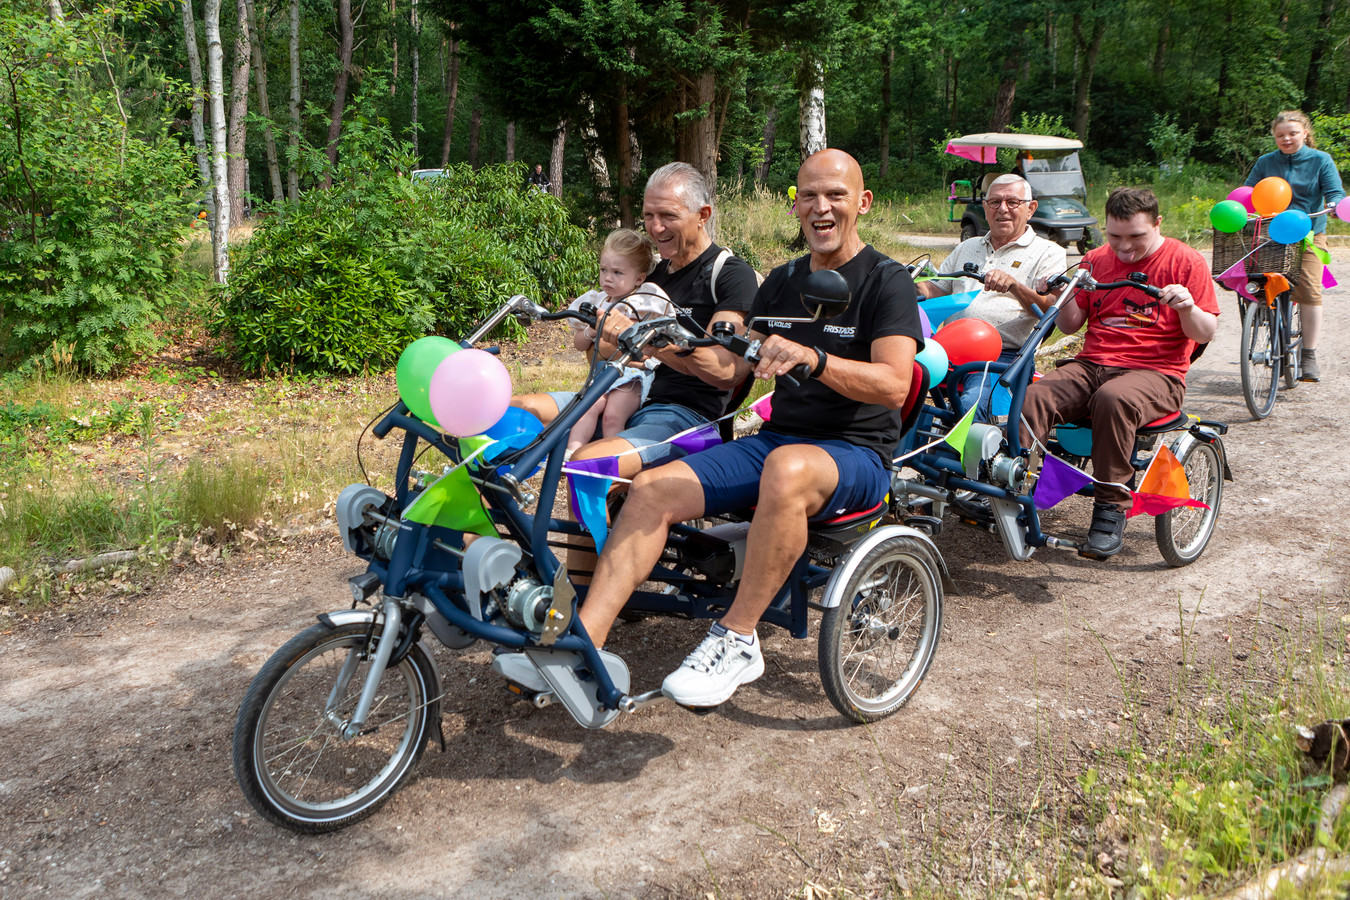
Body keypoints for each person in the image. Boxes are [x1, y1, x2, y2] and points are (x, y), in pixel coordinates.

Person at [496, 150, 923, 706]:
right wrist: (693, 335)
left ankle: (737, 638)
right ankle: (583, 646)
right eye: (809, 196)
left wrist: (814, 359)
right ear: (793, 205)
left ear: (862, 203)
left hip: (854, 454)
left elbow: (894, 384)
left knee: (785, 468)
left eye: (836, 195)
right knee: (651, 489)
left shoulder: (885, 281)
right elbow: (732, 364)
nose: (822, 208)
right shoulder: (781, 283)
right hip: (775, 443)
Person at [512, 162, 760, 482]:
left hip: (682, 415)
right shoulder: (649, 277)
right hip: (622, 395)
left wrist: (648, 338)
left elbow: (723, 370)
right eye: (648, 216)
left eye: (668, 216)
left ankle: (593, 531)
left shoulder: (730, 275)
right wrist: (601, 333)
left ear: (703, 215)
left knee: (588, 463)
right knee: (508, 410)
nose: (656, 228)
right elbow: (599, 352)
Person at [1021, 187, 1218, 560]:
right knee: (1034, 395)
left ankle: (1110, 509)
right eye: (1115, 237)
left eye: (1136, 237)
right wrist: (1059, 295)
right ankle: (1016, 485)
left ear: (1158, 224)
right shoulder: (1094, 260)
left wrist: (1188, 308)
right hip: (1093, 363)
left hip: (1157, 373)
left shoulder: (1185, 261)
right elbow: (1071, 324)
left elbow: (1204, 333)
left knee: (1112, 399)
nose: (1124, 248)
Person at [917, 174, 1066, 420]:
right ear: (985, 208)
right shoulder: (967, 246)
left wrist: (1015, 286)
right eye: (995, 202)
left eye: (1013, 202)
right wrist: (909, 282)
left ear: (1031, 208)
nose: (1003, 209)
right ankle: (903, 452)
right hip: (946, 351)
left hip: (1002, 355)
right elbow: (936, 290)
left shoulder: (1048, 253)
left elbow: (1050, 311)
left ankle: (953, 453)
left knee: (972, 405)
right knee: (896, 383)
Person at [1244, 110, 1344, 382]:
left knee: (1310, 290)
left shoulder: (1321, 160)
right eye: (1280, 135)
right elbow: (1249, 191)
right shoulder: (1265, 162)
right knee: (1253, 281)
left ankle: (1308, 354)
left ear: (1305, 133)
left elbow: (1334, 191)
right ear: (1274, 137)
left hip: (1308, 232)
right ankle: (1262, 317)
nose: (1286, 139)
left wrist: (1334, 205)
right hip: (1269, 232)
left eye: (1292, 133)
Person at [560, 229, 673, 456]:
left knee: (613, 415)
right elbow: (579, 344)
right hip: (601, 372)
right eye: (604, 270)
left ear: (639, 278)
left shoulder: (642, 301)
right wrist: (592, 331)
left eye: (617, 272)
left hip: (631, 375)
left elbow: (638, 345)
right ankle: (573, 451)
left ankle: (614, 459)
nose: (608, 278)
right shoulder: (596, 300)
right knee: (586, 408)